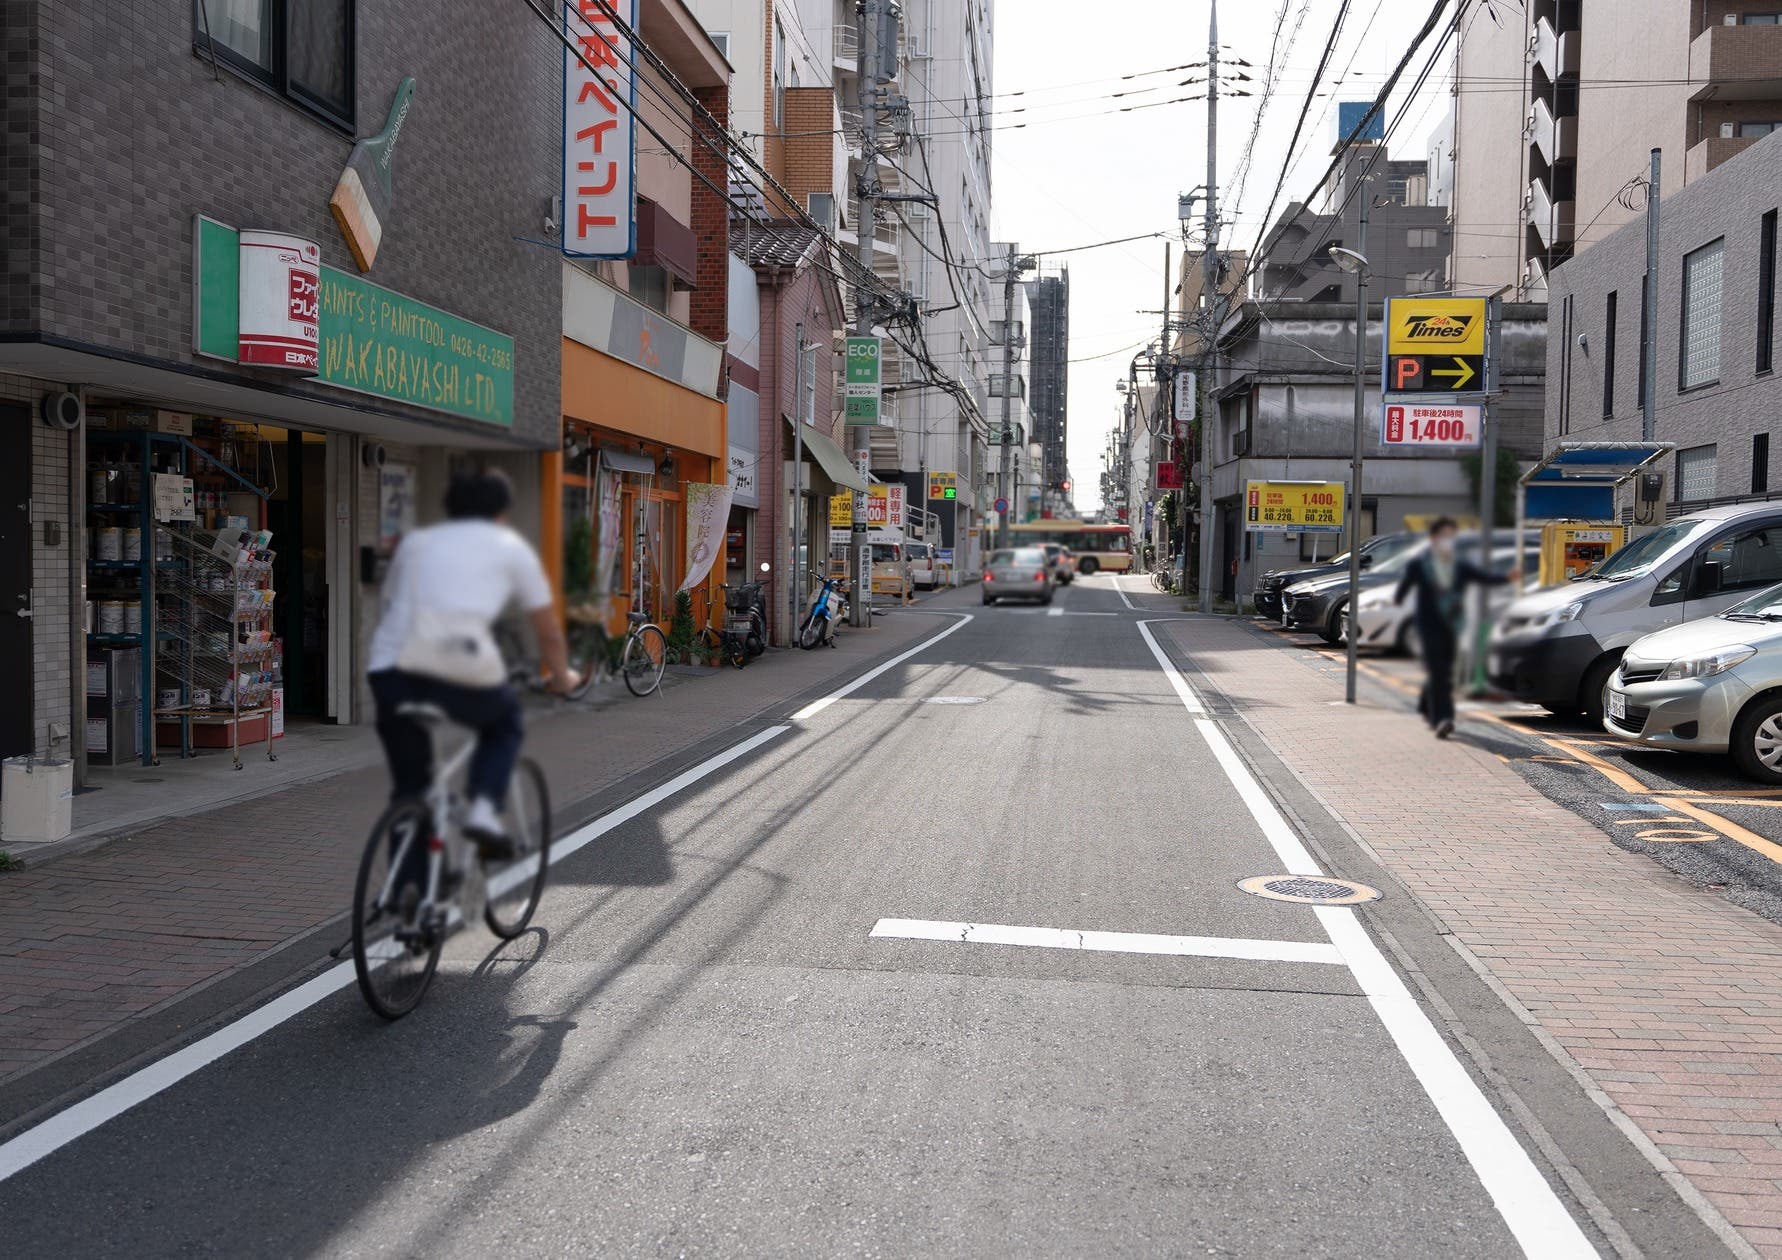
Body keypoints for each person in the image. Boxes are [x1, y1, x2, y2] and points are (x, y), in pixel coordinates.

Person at [366, 470, 579, 866]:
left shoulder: (416, 543)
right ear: (501, 512)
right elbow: (548, 631)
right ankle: (482, 810)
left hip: (390, 671)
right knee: (505, 723)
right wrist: (562, 676)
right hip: (456, 667)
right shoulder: (509, 547)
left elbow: (390, 604)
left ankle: (407, 895)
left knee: (411, 789)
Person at [1394, 517, 1515, 740]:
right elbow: (1404, 587)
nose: (1448, 541)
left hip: (1452, 624)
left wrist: (1506, 578)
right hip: (1428, 625)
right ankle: (1443, 718)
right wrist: (1398, 598)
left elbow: (1483, 577)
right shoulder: (1419, 564)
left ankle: (1426, 703)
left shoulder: (1460, 564)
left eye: (1451, 536)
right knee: (1439, 672)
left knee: (1443, 670)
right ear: (1434, 538)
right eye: (1444, 536)